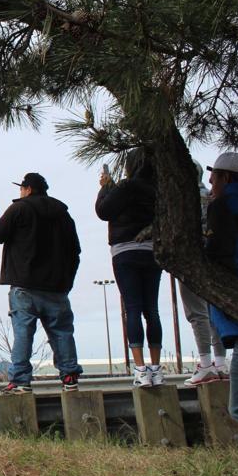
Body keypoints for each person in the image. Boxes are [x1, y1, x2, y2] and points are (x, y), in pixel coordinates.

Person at [0, 173, 83, 394]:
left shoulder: (20, 209)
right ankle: (69, 376)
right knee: (62, 332)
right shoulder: (63, 215)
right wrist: (67, 281)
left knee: (23, 333)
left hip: (24, 285)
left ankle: (20, 381)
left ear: (28, 189)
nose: (20, 192)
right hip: (57, 288)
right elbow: (75, 251)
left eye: (21, 188)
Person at [96, 149, 164, 388]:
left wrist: (105, 187)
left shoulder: (126, 187)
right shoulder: (156, 189)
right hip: (152, 250)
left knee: (133, 309)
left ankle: (140, 369)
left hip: (125, 250)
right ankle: (156, 369)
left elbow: (103, 211)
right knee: (152, 310)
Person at [205, 151, 238, 428]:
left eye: (214, 176)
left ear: (227, 177)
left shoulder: (224, 205)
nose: (210, 182)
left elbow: (220, 252)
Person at [182, 160, 228, 386]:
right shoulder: (210, 196)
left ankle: (205, 363)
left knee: (196, 312)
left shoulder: (183, 199)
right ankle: (221, 362)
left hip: (191, 258)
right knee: (213, 311)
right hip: (214, 258)